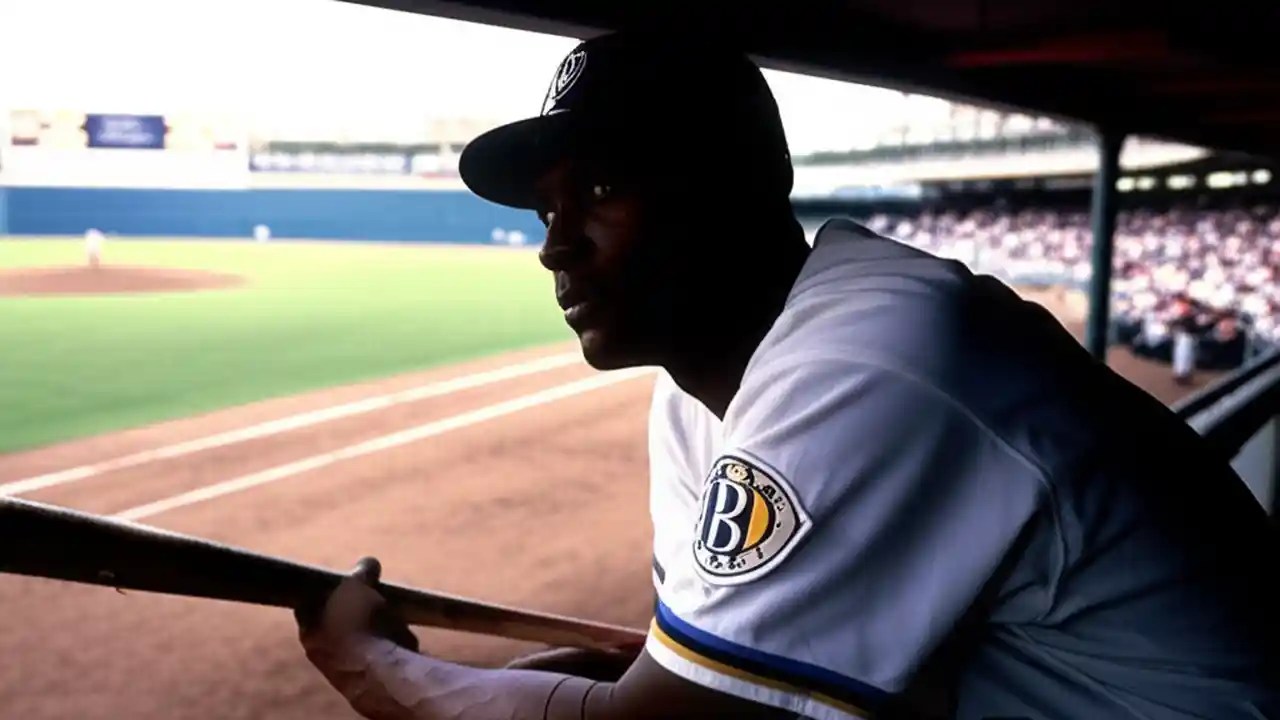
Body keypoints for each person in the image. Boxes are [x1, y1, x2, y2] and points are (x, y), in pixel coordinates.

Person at [295, 30, 1280, 719]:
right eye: (542, 211)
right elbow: (691, 675)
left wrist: (370, 665)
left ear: (732, 187)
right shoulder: (695, 394)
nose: (555, 250)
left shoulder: (874, 358)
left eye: (598, 190)